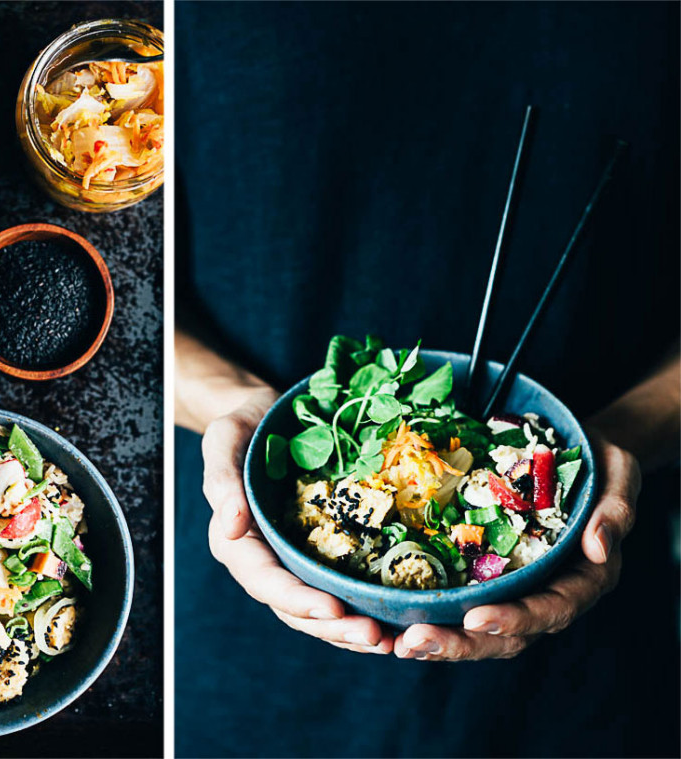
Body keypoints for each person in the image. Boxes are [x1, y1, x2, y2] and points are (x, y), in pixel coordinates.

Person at [174, 2, 679, 757]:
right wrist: (232, 405)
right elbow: (119, 284)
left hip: (590, 673)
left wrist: (619, 438)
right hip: (242, 648)